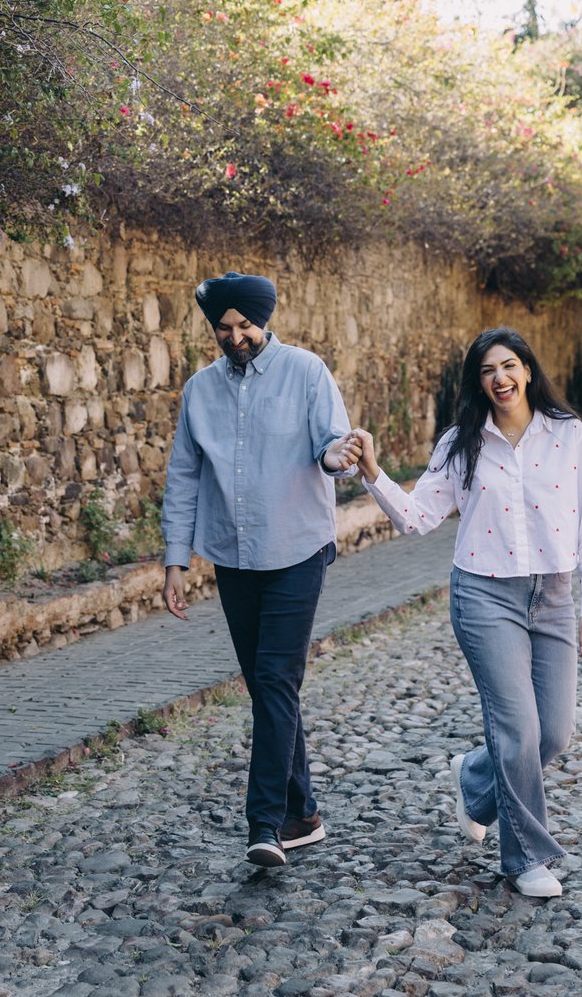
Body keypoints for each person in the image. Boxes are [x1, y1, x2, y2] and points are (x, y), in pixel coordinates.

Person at [349, 327, 582, 898]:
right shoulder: (461, 443)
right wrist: (372, 472)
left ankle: (474, 778)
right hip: (484, 596)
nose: (501, 378)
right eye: (488, 370)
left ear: (528, 370)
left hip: (554, 595)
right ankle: (525, 859)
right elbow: (417, 518)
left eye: (509, 365)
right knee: (518, 730)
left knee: (554, 732)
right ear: (478, 382)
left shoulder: (568, 435)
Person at [160, 271, 362, 867]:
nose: (235, 337)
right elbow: (183, 476)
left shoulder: (307, 372)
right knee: (268, 685)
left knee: (274, 679)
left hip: (297, 549)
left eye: (244, 325)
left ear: (263, 321)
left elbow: (333, 446)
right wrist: (175, 560)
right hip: (233, 555)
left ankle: (265, 823)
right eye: (223, 328)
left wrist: (336, 456)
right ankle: (304, 813)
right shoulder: (199, 390)